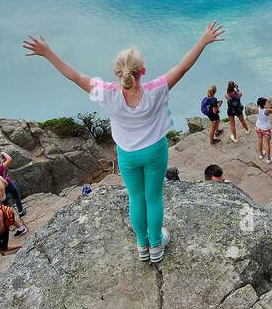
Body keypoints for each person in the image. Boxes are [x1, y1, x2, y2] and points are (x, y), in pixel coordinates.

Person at [23, 21, 224, 264]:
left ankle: (142, 246)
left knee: (136, 197)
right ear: (143, 71)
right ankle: (156, 246)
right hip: (154, 151)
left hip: (127, 155)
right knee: (153, 197)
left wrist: (47, 53)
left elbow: (75, 76)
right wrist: (203, 40)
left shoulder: (106, 93)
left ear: (118, 74)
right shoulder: (155, 90)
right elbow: (183, 68)